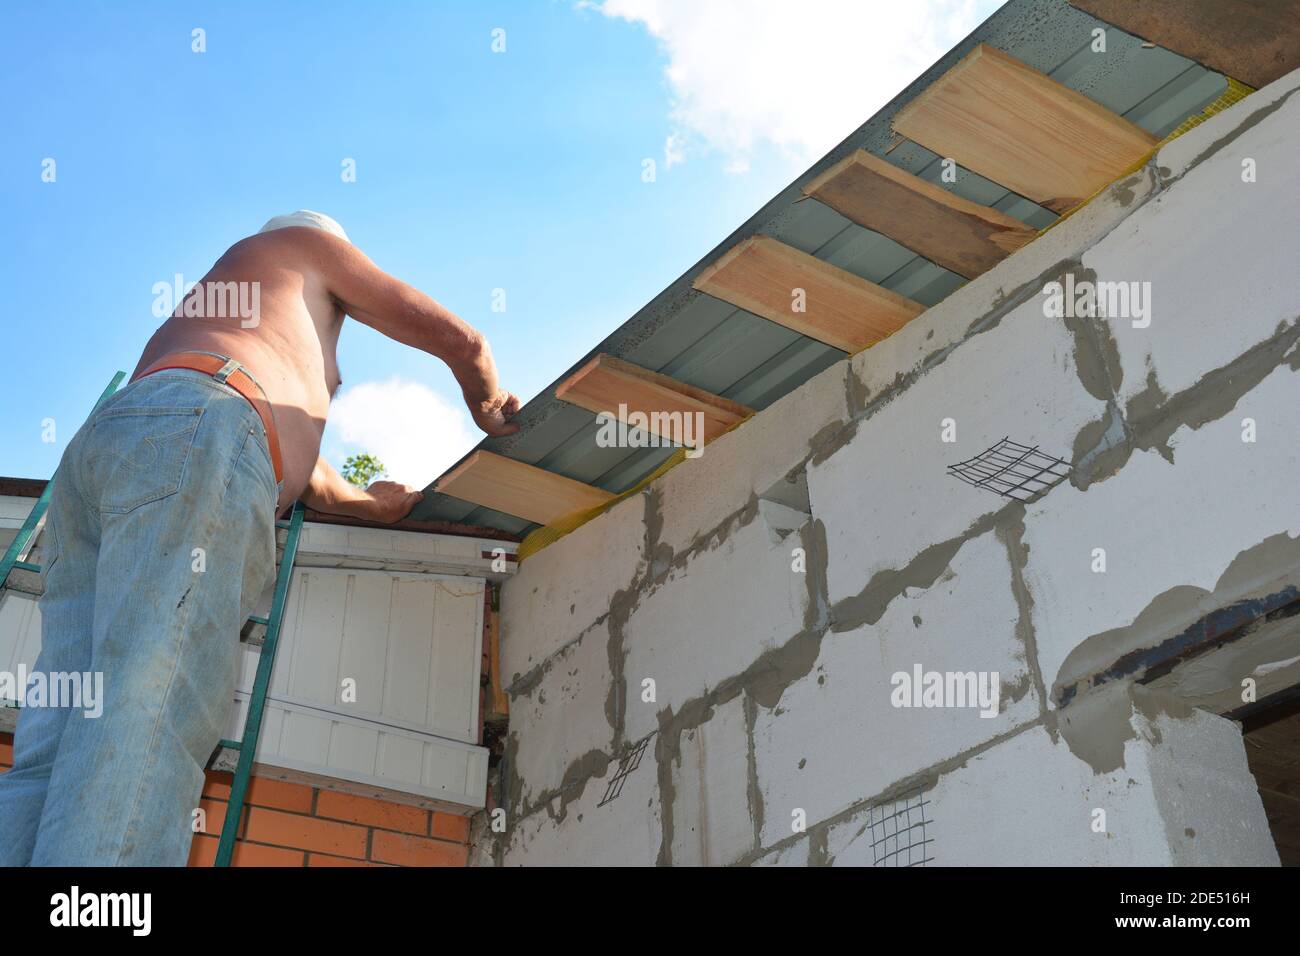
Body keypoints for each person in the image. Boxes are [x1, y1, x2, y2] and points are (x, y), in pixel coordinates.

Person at [0, 210, 519, 865]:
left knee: (62, 727)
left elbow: (311, 474)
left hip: (111, 455)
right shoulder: (305, 243)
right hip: (201, 432)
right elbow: (458, 337)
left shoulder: (250, 318)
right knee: (149, 701)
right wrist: (487, 391)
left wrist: (373, 505)